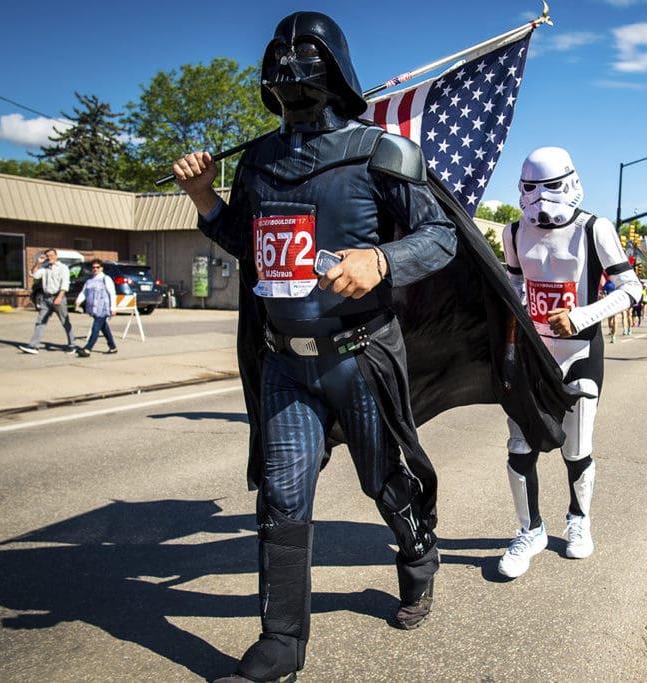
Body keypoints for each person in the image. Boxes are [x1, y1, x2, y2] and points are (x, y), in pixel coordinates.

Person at [171, 13, 578, 682]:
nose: (289, 63)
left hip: (361, 356)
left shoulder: (379, 151)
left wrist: (379, 262)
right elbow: (249, 242)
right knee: (281, 492)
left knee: (383, 478)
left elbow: (440, 237)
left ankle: (418, 552)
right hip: (285, 362)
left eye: (305, 50)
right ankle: (280, 640)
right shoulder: (261, 161)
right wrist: (204, 199)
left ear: (332, 67)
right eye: (280, 51)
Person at [499, 146, 642, 578]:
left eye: (551, 187)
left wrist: (581, 315)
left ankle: (578, 521)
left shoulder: (595, 229)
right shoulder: (511, 232)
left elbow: (632, 289)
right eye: (532, 189)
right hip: (531, 355)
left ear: (571, 183)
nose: (541, 200)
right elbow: (512, 288)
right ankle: (530, 530)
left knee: (576, 448)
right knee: (520, 447)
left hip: (580, 353)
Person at [18, 248, 73, 354]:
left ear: (56, 256)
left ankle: (72, 344)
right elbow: (33, 275)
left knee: (65, 322)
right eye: (47, 256)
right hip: (46, 298)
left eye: (51, 255)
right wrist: (37, 263)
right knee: (40, 322)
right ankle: (33, 346)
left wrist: (59, 297)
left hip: (58, 297)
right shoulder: (45, 267)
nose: (49, 258)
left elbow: (65, 284)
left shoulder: (63, 268)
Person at [73, 259, 118, 356]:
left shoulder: (106, 279)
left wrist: (113, 308)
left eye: (97, 267)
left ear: (101, 268)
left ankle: (88, 348)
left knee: (96, 327)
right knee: (104, 327)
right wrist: (79, 300)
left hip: (103, 308)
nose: (95, 269)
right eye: (93, 267)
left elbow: (112, 294)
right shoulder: (90, 280)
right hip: (93, 308)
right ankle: (112, 347)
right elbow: (84, 292)